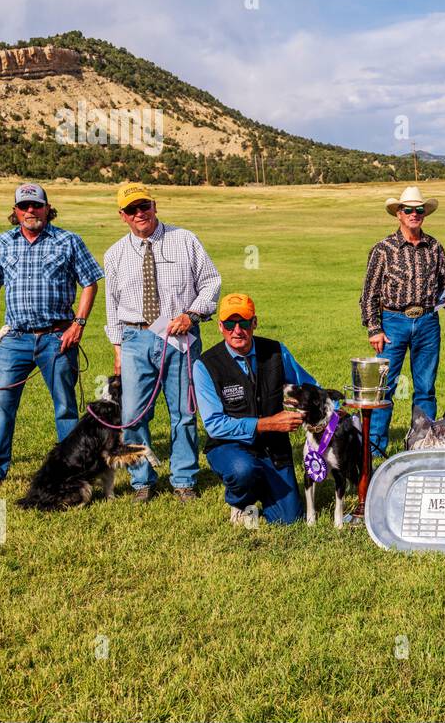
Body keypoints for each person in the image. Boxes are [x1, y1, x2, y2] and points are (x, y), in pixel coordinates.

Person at [0, 183, 103, 496]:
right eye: (24, 206)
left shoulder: (67, 240)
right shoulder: (3, 242)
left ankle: (73, 473)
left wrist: (79, 324)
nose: (31, 211)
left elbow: (90, 282)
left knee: (65, 407)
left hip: (57, 337)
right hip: (15, 340)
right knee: (1, 405)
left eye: (36, 206)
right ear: (15, 211)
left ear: (47, 208)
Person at [103, 182, 221, 503]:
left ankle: (184, 479)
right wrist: (117, 348)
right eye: (131, 210)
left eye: (144, 206)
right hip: (135, 338)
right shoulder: (114, 254)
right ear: (122, 216)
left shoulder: (185, 239)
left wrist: (193, 313)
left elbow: (211, 281)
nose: (139, 213)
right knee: (133, 415)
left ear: (155, 206)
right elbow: (111, 305)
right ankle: (142, 479)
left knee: (183, 411)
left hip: (180, 336)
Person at [192, 294, 316, 525]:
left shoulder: (276, 351)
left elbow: (309, 387)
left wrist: (335, 410)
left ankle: (265, 485)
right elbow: (215, 425)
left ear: (255, 323)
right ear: (220, 326)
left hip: (273, 447)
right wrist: (268, 424)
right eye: (230, 323)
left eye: (244, 323)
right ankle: (240, 501)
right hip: (229, 447)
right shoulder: (205, 365)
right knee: (243, 470)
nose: (237, 330)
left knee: (289, 520)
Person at [360, 185, 445, 453]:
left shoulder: (435, 247)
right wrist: (374, 329)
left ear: (424, 214)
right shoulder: (383, 250)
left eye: (419, 210)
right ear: (399, 214)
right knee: (385, 388)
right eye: (409, 210)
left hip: (428, 321)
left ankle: (423, 444)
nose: (414, 214)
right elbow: (369, 293)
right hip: (394, 321)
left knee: (426, 387)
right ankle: (375, 449)